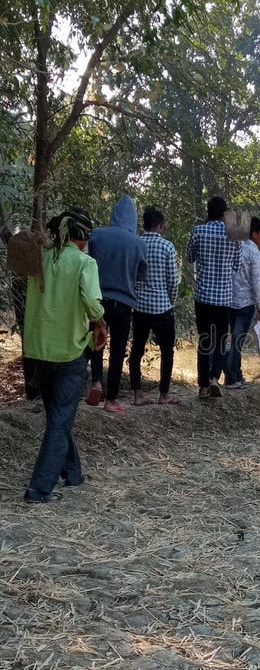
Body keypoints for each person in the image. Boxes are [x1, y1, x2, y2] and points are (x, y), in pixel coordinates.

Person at [23, 208, 107, 504]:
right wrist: (101, 322)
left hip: (39, 350)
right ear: (81, 236)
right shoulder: (86, 263)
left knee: (58, 415)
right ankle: (39, 489)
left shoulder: (41, 258)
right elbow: (92, 303)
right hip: (70, 351)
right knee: (60, 419)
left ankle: (73, 473)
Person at [86, 195, 147, 413]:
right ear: (133, 218)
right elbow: (142, 275)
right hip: (123, 302)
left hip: (98, 299)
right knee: (118, 350)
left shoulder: (97, 235)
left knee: (97, 342)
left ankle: (95, 382)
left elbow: (88, 263)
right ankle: (110, 400)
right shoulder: (138, 243)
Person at [186, 195, 242, 399]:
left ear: (207, 212)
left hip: (202, 296)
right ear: (225, 214)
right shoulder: (233, 234)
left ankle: (202, 387)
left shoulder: (198, 231)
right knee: (220, 341)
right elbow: (237, 266)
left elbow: (190, 256)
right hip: (224, 298)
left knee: (204, 340)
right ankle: (213, 379)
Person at [128, 206, 180, 406]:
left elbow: (131, 274)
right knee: (167, 352)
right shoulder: (167, 247)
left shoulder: (136, 244)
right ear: (160, 226)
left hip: (139, 306)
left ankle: (137, 394)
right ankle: (164, 394)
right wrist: (170, 301)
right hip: (161, 307)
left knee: (137, 349)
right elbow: (173, 281)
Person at [224, 216, 260, 390]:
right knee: (237, 341)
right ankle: (231, 379)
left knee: (233, 340)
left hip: (227, 300)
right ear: (254, 234)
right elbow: (256, 282)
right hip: (244, 304)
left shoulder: (233, 246)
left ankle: (237, 375)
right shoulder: (254, 253)